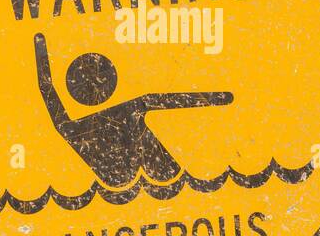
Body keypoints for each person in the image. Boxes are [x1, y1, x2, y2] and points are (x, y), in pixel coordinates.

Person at [33, 33, 232, 188]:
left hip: (133, 190)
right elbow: (172, 100)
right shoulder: (129, 107)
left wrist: (41, 53)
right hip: (165, 183)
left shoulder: (72, 128)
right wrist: (219, 97)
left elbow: (46, 89)